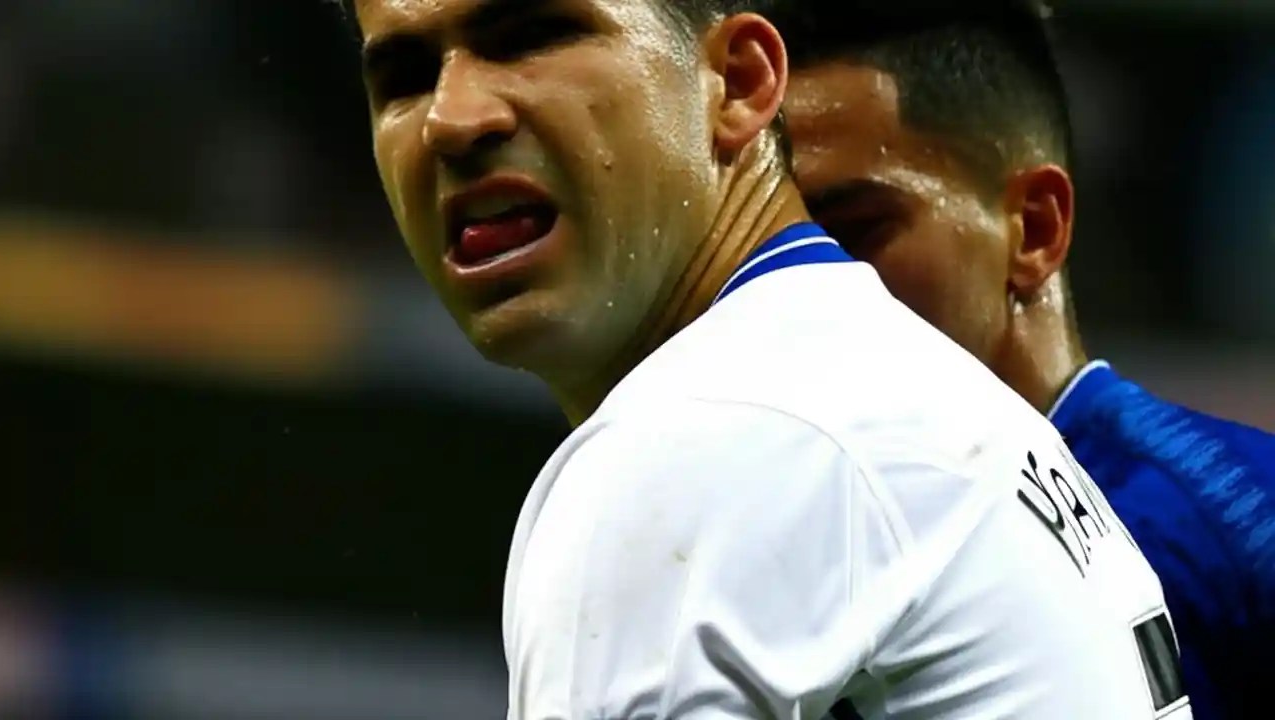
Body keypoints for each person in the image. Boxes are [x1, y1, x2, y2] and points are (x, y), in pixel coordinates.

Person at [342, 0, 1190, 717]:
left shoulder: (713, 436)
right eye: (405, 76)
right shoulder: (876, 389)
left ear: (739, 84)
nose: (452, 118)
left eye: (530, 35)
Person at [772, 2, 1275, 718]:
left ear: (1035, 228)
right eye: (765, 248)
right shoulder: (758, 560)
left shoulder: (1243, 525)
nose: (792, 283)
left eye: (853, 231)